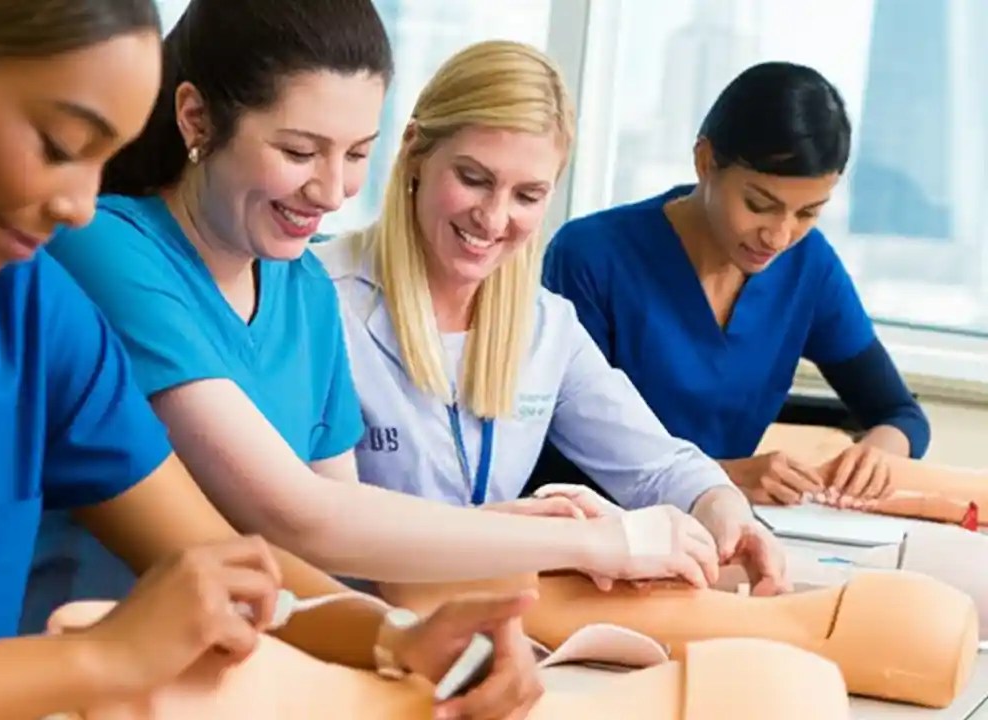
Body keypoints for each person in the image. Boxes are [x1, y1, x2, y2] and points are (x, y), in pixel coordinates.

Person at [0, 3, 544, 717]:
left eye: (103, 158)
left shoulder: (27, 304)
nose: (78, 203)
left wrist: (397, 637)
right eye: (60, 143)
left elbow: (222, 567)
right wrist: (95, 659)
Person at [39, 0, 724, 616]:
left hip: (242, 663)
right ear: (196, 118)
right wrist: (602, 542)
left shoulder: (299, 289)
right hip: (85, 669)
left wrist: (422, 618)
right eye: (299, 151)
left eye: (356, 154)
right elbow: (300, 516)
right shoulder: (107, 249)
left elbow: (328, 544)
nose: (333, 191)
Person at [313, 41, 786, 596]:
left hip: (473, 623)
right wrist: (564, 540)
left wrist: (724, 507)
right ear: (415, 150)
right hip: (341, 626)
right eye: (473, 178)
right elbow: (324, 523)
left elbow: (656, 465)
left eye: (527, 194)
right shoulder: (319, 298)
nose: (493, 218)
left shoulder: (545, 327)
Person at [543, 61, 929, 509]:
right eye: (759, 204)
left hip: (722, 536)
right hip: (595, 536)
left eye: (807, 213)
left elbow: (901, 415)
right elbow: (556, 459)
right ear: (705, 161)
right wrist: (718, 478)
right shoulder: (592, 256)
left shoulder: (808, 265)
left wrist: (878, 452)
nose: (779, 236)